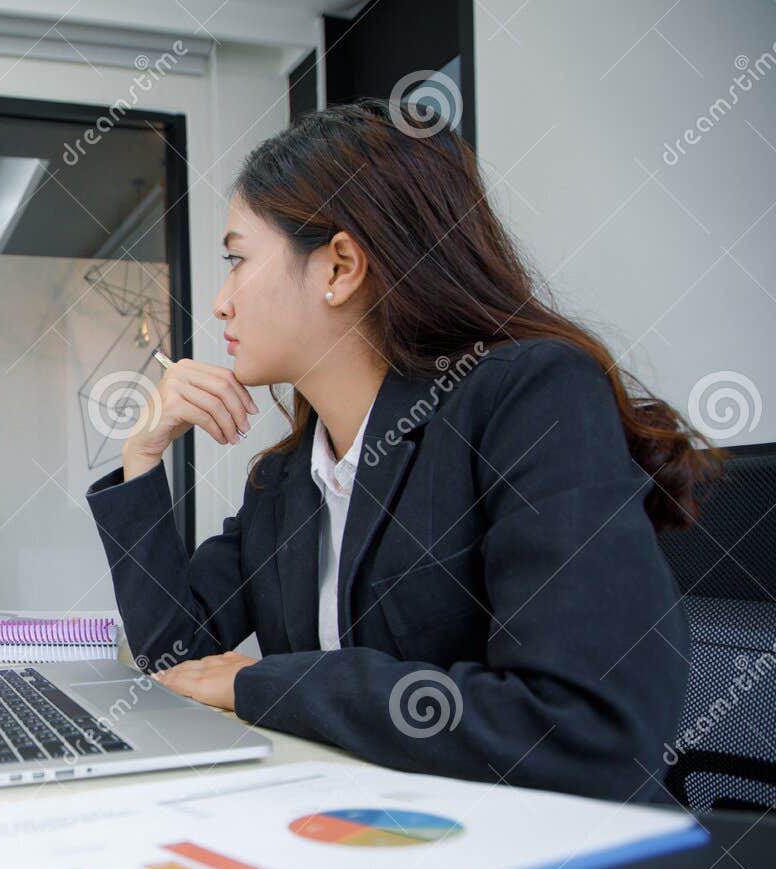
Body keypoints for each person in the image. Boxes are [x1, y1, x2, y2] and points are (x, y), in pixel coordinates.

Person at [86, 100, 718, 803]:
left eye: (237, 261)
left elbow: (586, 727)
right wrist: (143, 454)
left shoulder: (529, 397)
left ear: (341, 265)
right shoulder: (287, 479)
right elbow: (178, 656)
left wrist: (260, 681)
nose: (221, 303)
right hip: (369, 836)